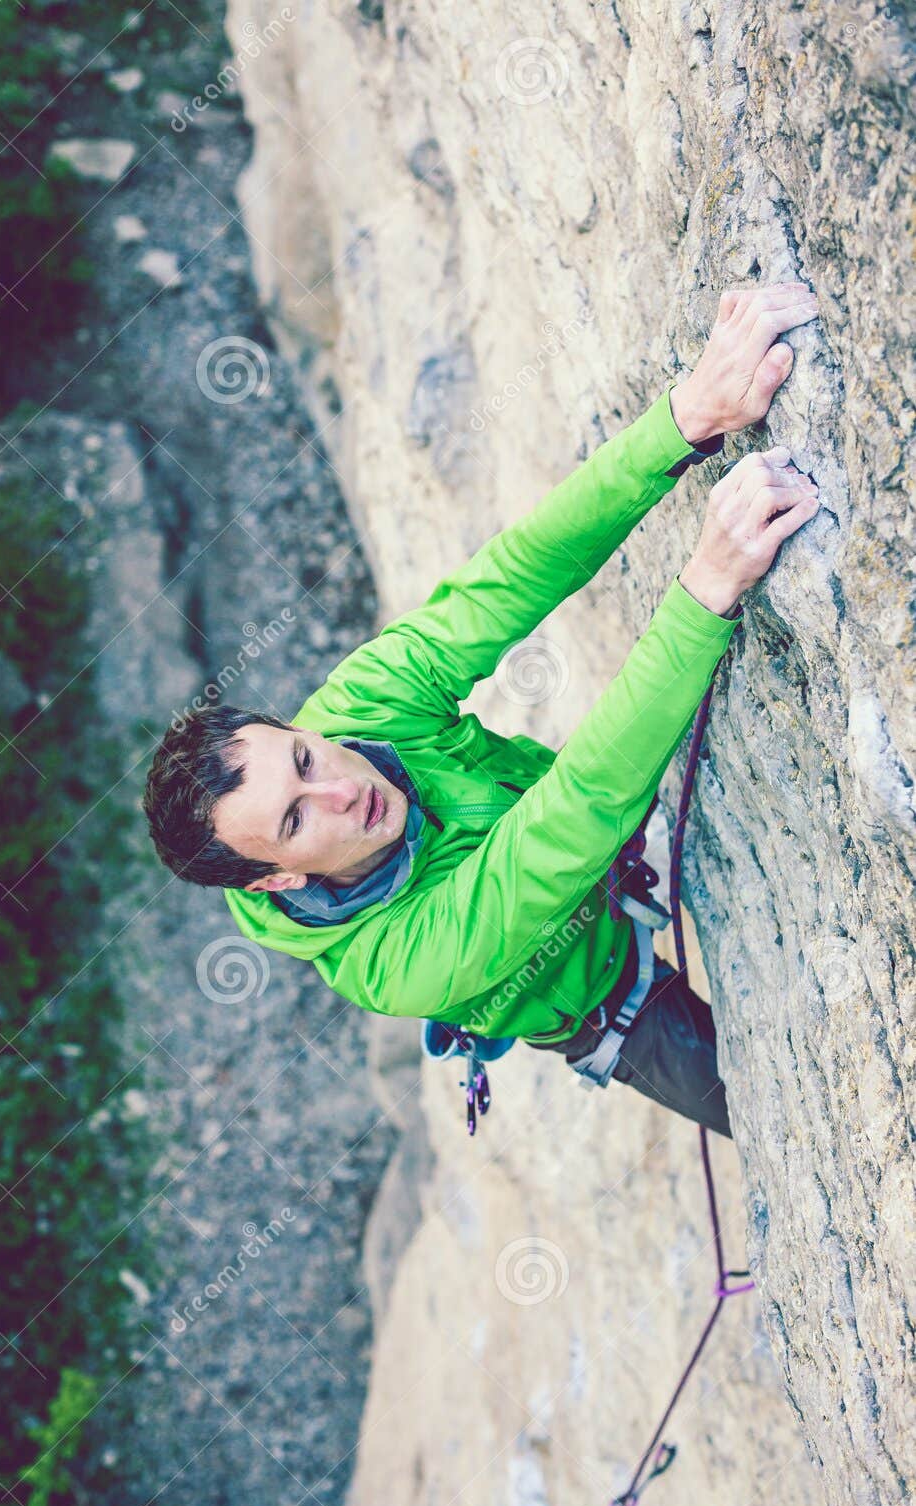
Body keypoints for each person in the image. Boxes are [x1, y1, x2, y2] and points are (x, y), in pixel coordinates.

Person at [143, 283, 821, 1141]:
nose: (341, 791)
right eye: (294, 819)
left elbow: (512, 577)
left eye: (305, 760)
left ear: (298, 731)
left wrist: (685, 420)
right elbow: (566, 824)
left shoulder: (357, 709)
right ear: (275, 879)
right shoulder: (389, 964)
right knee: (796, 1130)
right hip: (602, 1000)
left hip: (617, 846)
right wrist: (706, 588)